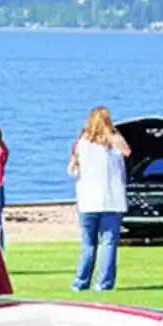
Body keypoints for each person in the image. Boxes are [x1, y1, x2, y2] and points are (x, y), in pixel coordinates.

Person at [67, 106, 130, 291]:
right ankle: (104, 283)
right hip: (112, 200)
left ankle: (81, 281)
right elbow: (127, 152)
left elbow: (72, 169)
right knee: (108, 243)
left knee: (88, 244)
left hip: (88, 201)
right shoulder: (114, 143)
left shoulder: (82, 143)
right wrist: (113, 135)